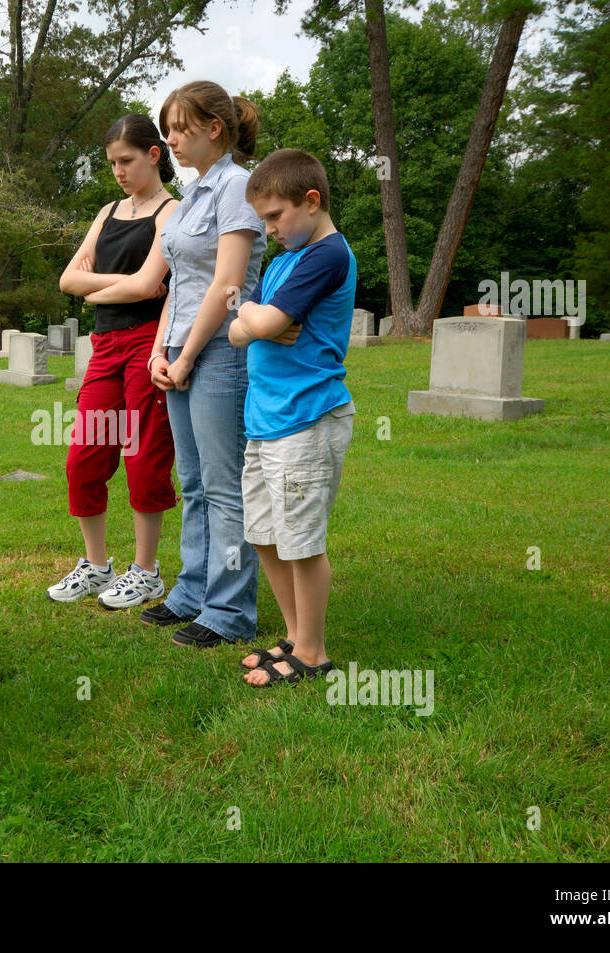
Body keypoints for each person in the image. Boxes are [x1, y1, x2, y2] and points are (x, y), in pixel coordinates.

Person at [89, 81, 269, 648]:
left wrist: (187, 353)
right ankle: (191, 592)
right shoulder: (192, 196)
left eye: (177, 129)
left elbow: (228, 285)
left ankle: (230, 611)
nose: (168, 140)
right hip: (181, 353)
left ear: (214, 129)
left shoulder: (238, 186)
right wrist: (162, 349)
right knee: (191, 482)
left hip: (220, 354)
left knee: (223, 488)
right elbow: (178, 285)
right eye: (165, 130)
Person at [227, 148, 357, 687]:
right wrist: (255, 319)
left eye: (276, 217)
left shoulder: (327, 255)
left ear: (311, 201)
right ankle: (293, 633)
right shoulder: (282, 259)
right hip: (266, 419)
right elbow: (239, 328)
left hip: (307, 418)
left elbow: (262, 318)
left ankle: (313, 652)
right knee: (264, 534)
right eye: (262, 221)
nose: (270, 230)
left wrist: (258, 318)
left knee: (301, 539)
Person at [49, 115, 180, 609]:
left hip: (148, 342)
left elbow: (150, 287)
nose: (118, 171)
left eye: (126, 160)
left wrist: (96, 286)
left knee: (145, 459)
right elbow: (67, 280)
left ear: (153, 154)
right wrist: (118, 286)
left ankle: (146, 571)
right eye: (111, 164)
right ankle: (97, 566)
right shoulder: (106, 212)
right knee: (83, 457)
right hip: (105, 345)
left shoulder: (172, 212)